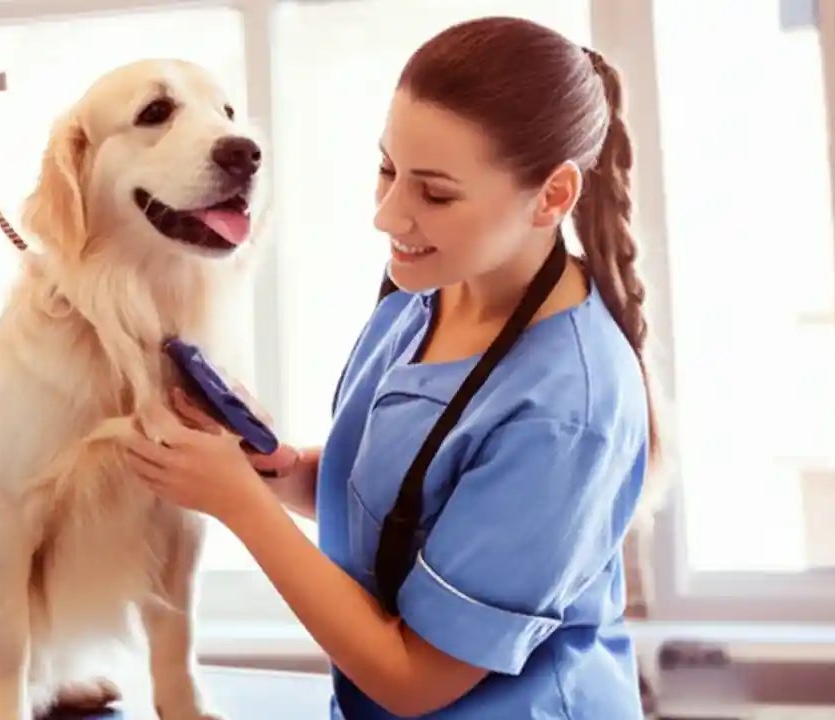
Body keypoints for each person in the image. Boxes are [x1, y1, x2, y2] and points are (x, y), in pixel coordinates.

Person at [123, 15, 663, 719]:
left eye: (434, 193)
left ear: (554, 196)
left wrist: (241, 505)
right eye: (387, 169)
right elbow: (409, 503)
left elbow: (415, 680)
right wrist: (278, 471)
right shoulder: (430, 290)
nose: (388, 215)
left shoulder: (564, 411)